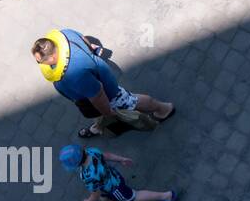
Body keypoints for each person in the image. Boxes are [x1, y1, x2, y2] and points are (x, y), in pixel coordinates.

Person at [31, 28, 175, 138]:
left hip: (108, 94)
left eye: (41, 60)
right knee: (107, 109)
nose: (39, 63)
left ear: (53, 56)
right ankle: (98, 126)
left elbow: (98, 95)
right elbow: (84, 39)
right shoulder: (64, 35)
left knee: (131, 101)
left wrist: (107, 112)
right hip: (94, 85)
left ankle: (164, 109)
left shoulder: (74, 73)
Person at [59, 143, 179, 201]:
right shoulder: (91, 151)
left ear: (76, 164)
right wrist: (121, 159)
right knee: (104, 197)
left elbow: (96, 193)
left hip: (114, 189)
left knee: (133, 197)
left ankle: (167, 196)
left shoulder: (87, 176)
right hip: (113, 176)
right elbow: (107, 155)